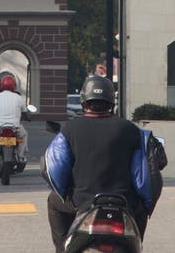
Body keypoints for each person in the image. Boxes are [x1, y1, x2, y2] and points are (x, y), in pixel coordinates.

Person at [41, 75, 149, 253]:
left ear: (84, 102)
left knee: (53, 201)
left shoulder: (70, 129)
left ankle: (61, 248)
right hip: (124, 202)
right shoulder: (130, 129)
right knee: (143, 207)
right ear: (111, 102)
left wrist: (66, 191)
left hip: (81, 202)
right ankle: (136, 246)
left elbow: (56, 169)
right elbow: (143, 174)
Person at [0, 74, 28, 165]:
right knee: (24, 135)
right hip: (15, 128)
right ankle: (21, 156)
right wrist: (28, 118)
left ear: (2, 86)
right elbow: (25, 112)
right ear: (14, 86)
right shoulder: (18, 97)